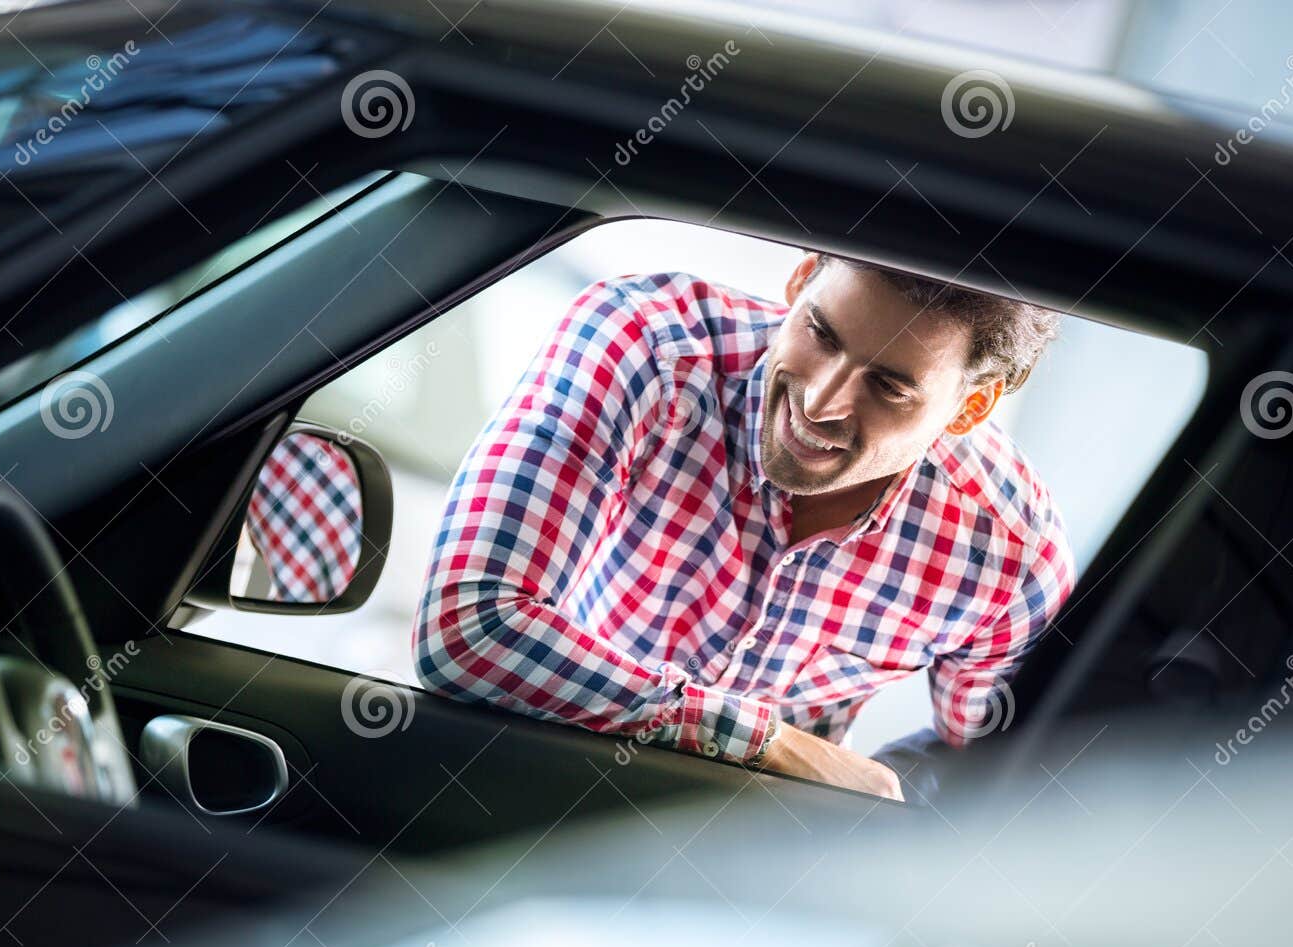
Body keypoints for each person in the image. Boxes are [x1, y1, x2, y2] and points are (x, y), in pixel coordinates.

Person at [412, 252, 1074, 801]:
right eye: (821, 333)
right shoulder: (646, 345)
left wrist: (884, 796)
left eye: (888, 388)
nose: (820, 401)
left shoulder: (1010, 558)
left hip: (760, 870)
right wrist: (766, 741)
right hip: (533, 778)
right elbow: (466, 628)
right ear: (801, 277)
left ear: (971, 408)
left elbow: (999, 774)